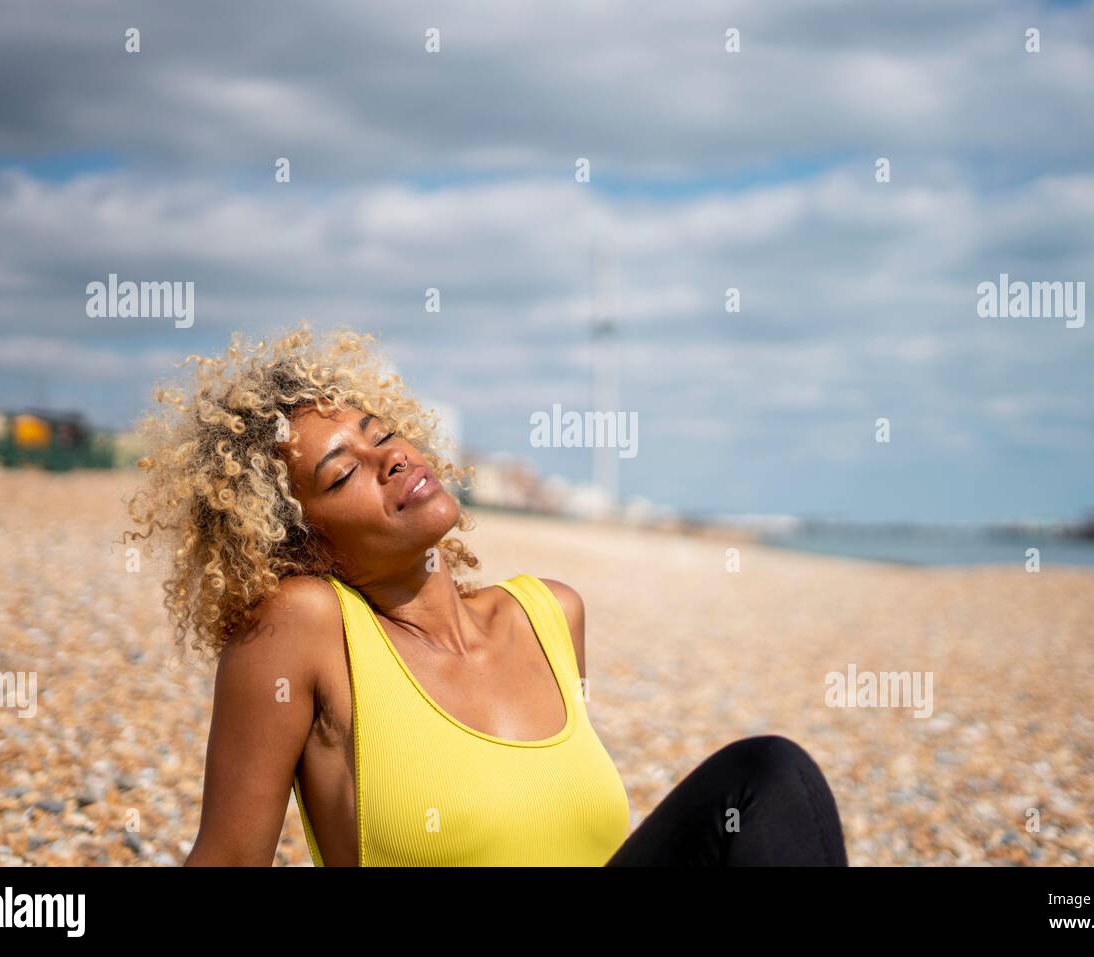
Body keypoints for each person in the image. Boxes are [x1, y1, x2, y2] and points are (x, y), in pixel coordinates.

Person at [124, 323, 847, 866]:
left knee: (772, 777)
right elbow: (228, 859)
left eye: (386, 435)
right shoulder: (306, 627)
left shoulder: (551, 614)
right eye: (343, 475)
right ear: (299, 542)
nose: (392, 459)